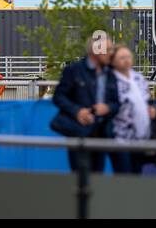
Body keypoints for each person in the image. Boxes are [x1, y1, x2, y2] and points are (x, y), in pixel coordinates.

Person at [51, 33, 121, 174]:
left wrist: (107, 108)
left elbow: (117, 102)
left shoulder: (111, 73)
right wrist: (77, 111)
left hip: (101, 135)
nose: (111, 54)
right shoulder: (74, 70)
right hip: (79, 133)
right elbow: (59, 96)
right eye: (108, 50)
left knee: (97, 176)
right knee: (80, 177)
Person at [109, 44, 156, 175]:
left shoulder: (138, 78)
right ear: (113, 61)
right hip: (121, 138)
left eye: (128, 56)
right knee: (124, 174)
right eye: (122, 57)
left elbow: (147, 98)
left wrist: (152, 108)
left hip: (141, 137)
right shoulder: (110, 80)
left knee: (137, 173)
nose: (126, 60)